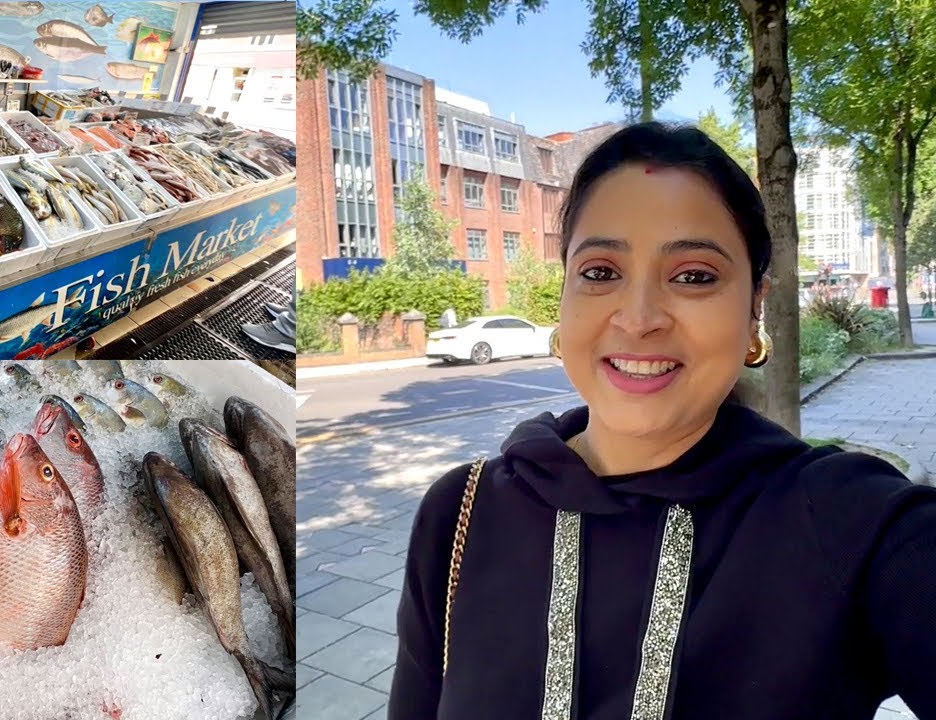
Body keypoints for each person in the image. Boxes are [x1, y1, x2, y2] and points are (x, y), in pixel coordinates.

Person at [389, 122, 936, 719]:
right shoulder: (459, 515)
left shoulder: (853, 522)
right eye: (600, 272)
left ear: (755, 309)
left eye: (694, 276)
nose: (640, 317)